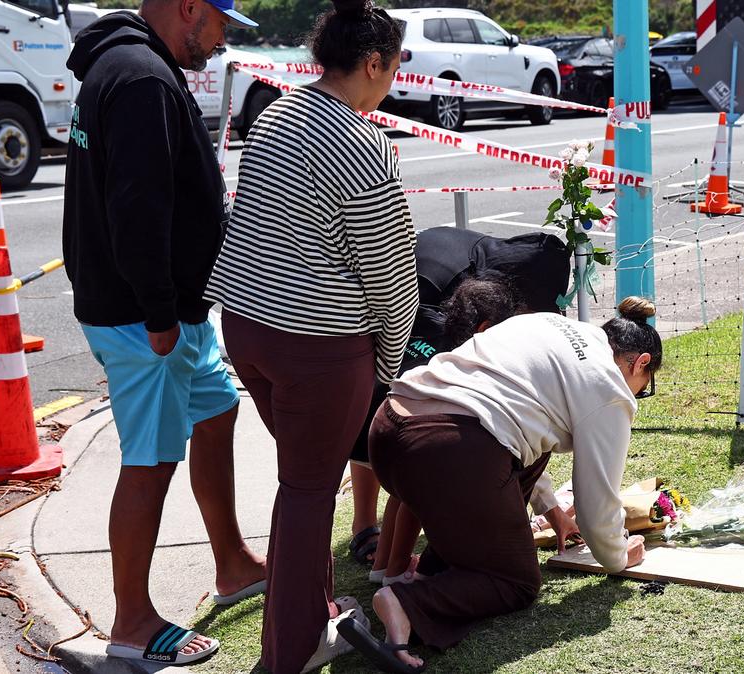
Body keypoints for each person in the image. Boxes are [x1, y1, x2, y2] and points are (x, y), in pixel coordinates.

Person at [202, 0, 416, 670]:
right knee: (307, 491)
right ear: (373, 63)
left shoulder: (277, 114)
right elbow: (391, 276)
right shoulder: (364, 143)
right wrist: (388, 365)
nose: (394, 80)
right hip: (318, 344)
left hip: (247, 326)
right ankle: (291, 650)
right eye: (395, 66)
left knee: (302, 478)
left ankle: (315, 611)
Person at [62, 0, 263, 666]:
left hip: (168, 306)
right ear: (189, 9)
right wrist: (157, 314)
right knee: (150, 459)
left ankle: (232, 561)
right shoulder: (141, 77)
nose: (222, 41)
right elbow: (136, 207)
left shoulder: (124, 63)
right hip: (144, 314)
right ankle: (133, 623)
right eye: (222, 24)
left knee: (218, 408)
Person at [340, 297, 663, 673]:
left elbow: (517, 428)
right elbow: (596, 505)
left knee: (519, 457)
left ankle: (430, 572)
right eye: (642, 388)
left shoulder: (549, 324)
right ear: (640, 363)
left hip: (389, 428)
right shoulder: (609, 387)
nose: (635, 395)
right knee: (517, 582)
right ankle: (406, 602)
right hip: (445, 451)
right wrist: (619, 555)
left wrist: (551, 510)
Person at [365, 274, 528, 586]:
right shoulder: (474, 366)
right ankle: (396, 572)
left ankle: (385, 566)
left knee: (405, 492)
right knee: (420, 490)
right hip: (414, 443)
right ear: (485, 330)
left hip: (383, 433)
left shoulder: (443, 347)